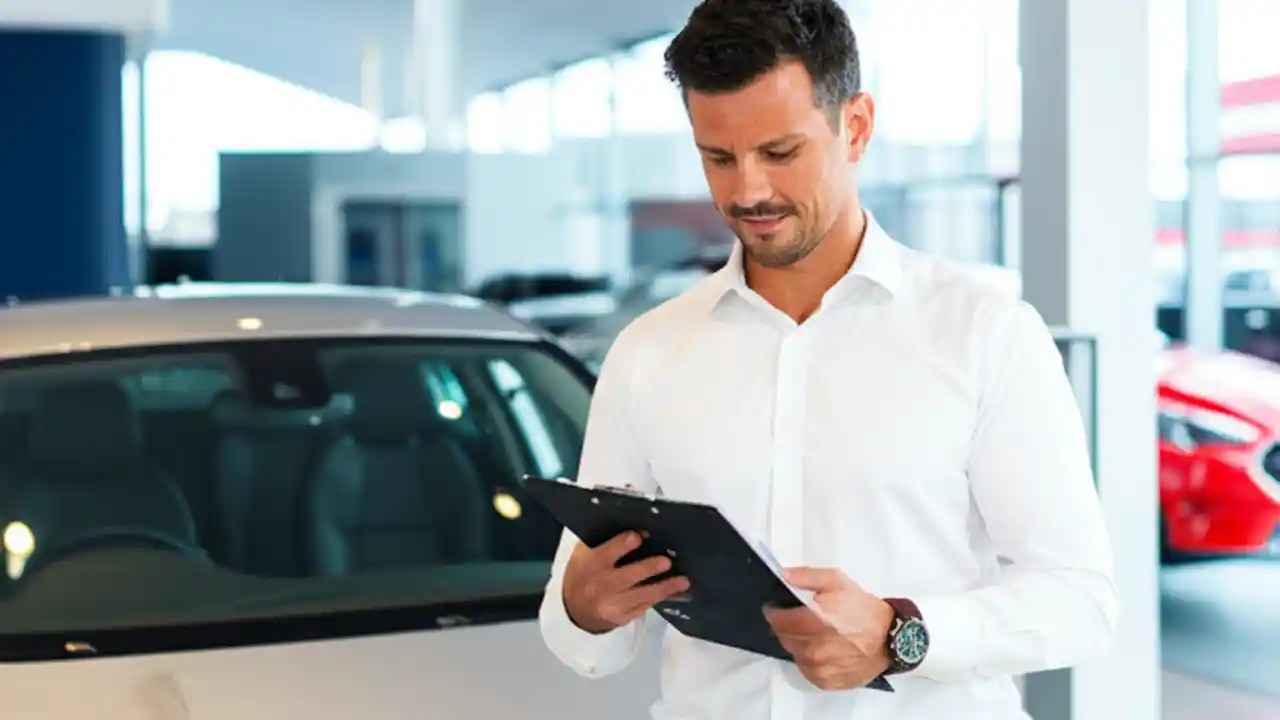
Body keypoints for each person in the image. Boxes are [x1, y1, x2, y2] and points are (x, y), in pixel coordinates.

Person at [538, 0, 1119, 717]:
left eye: (780, 153)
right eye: (718, 157)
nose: (747, 190)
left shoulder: (985, 332)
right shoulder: (648, 352)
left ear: (856, 126)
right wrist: (583, 603)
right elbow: (580, 638)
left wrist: (902, 633)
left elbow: (1081, 601)